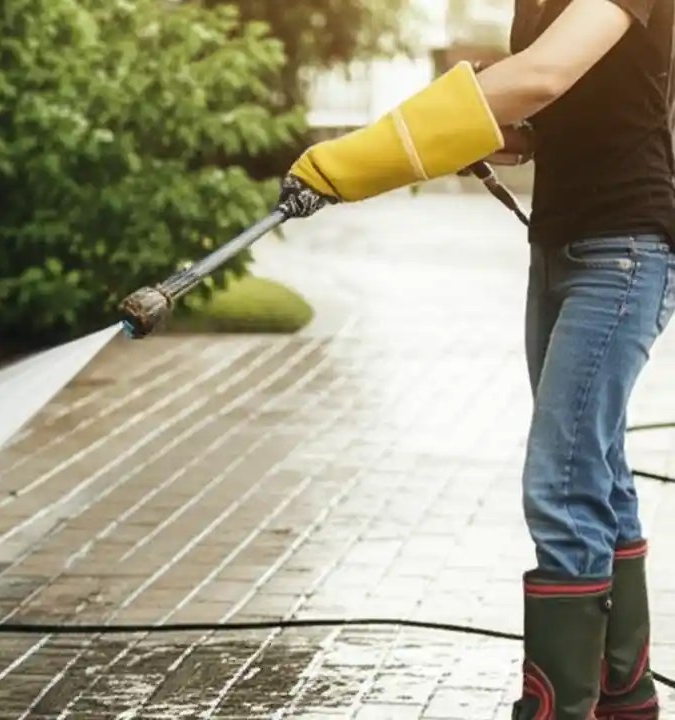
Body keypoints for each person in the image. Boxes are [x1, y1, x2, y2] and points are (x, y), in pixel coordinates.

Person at [279, 0, 675, 717]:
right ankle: (625, 695)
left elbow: (543, 76)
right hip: (560, 248)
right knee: (596, 467)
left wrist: (370, 148)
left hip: (624, 251)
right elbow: (535, 121)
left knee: (562, 478)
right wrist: (474, 131)